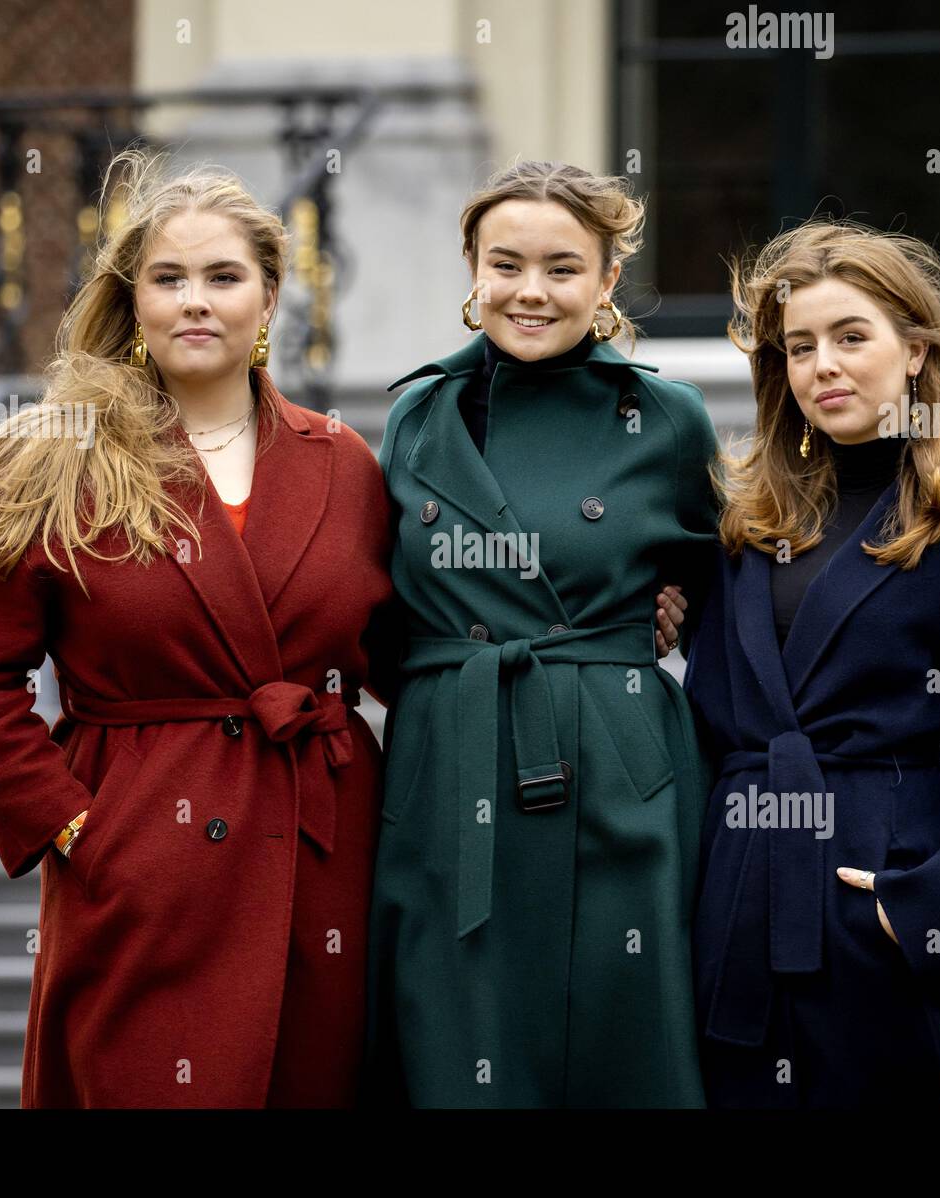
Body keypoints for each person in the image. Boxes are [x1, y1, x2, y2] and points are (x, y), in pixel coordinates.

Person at [0, 149, 395, 1107]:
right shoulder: (52, 458)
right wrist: (77, 827)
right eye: (168, 278)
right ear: (132, 300)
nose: (196, 301)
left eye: (224, 277)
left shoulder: (344, 462)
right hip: (143, 859)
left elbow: (401, 651)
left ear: (269, 301)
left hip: (320, 855)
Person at [684, 219, 940, 1109]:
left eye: (852, 337)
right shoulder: (742, 534)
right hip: (737, 915)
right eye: (800, 346)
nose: (824, 364)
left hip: (882, 913)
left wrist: (926, 907)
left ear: (914, 354)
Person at [365, 160, 719, 1107]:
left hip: (618, 766)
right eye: (505, 264)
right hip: (450, 760)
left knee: (621, 1031)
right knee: (455, 1034)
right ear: (472, 272)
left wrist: (664, 615)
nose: (531, 292)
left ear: (606, 283)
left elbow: (726, 584)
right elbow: (373, 605)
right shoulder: (416, 416)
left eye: (563, 269)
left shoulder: (668, 418)